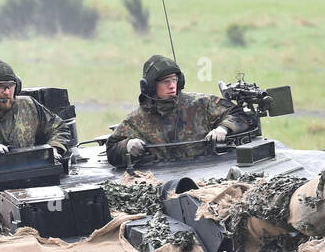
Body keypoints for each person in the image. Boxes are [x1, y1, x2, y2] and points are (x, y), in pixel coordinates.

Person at [106, 54, 248, 167]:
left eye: (174, 80)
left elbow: (237, 113)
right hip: (159, 179)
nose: (172, 86)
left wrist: (223, 128)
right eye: (165, 81)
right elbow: (112, 150)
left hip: (204, 171)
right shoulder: (137, 120)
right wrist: (127, 146)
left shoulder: (199, 104)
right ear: (149, 86)